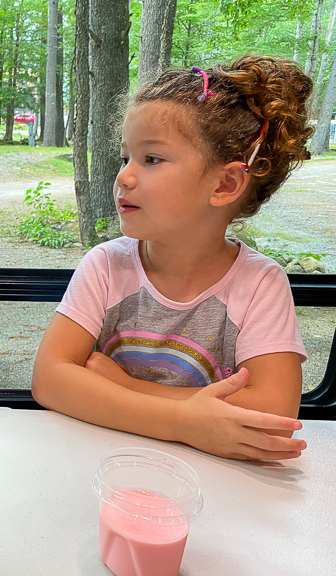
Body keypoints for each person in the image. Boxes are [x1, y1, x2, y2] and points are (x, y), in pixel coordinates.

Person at [32, 55, 311, 460]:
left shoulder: (260, 284)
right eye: (125, 157)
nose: (124, 176)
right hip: (102, 467)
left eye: (152, 159)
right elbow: (50, 379)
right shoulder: (107, 265)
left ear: (226, 184)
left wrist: (126, 388)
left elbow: (272, 413)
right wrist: (188, 421)